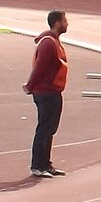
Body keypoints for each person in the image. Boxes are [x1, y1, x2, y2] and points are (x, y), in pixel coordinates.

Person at [24, 10, 68, 178]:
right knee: (44, 129)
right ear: (57, 23)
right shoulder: (48, 43)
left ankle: (46, 164)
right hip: (46, 93)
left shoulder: (53, 42)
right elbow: (40, 67)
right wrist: (30, 86)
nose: (67, 24)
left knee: (50, 129)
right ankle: (37, 165)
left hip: (53, 91)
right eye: (65, 21)